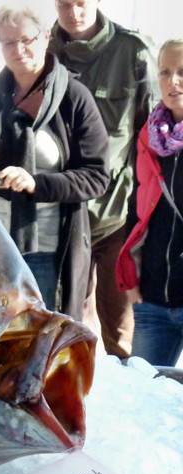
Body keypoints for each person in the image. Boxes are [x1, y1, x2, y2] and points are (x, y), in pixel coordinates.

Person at [0, 2, 109, 320]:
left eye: (27, 39)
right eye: (8, 42)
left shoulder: (74, 97)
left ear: (46, 37)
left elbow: (97, 175)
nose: (18, 49)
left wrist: (36, 182)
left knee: (39, 341)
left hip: (46, 249)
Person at [49, 0, 159, 358]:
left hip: (118, 217)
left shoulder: (133, 54)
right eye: (64, 4)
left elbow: (153, 137)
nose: (73, 12)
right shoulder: (42, 49)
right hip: (62, 216)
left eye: (81, 2)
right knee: (64, 328)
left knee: (121, 333)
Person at [116, 39, 183, 367]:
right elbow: (138, 210)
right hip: (153, 301)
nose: (173, 81)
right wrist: (131, 282)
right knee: (143, 399)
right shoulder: (150, 136)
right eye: (166, 72)